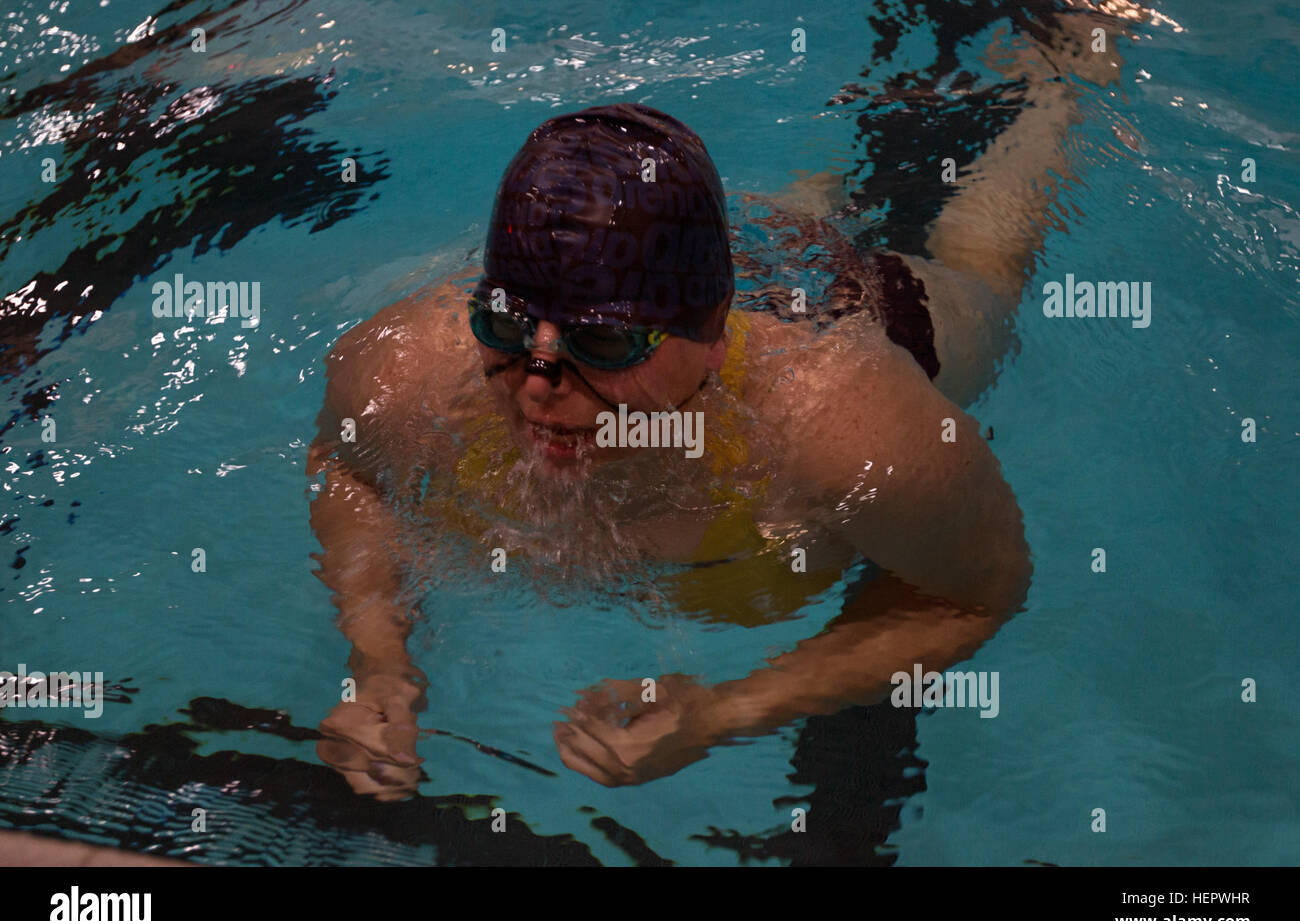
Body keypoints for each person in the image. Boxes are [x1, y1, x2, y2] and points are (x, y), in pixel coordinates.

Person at [306, 9, 1121, 799]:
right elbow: (351, 471)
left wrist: (729, 712)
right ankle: (836, 149)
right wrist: (379, 661)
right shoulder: (399, 371)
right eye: (507, 324)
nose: (539, 383)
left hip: (863, 311)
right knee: (798, 211)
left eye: (606, 344)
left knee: (982, 257)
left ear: (714, 335)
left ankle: (1067, 63)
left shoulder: (848, 430)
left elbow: (977, 590)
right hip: (727, 272)